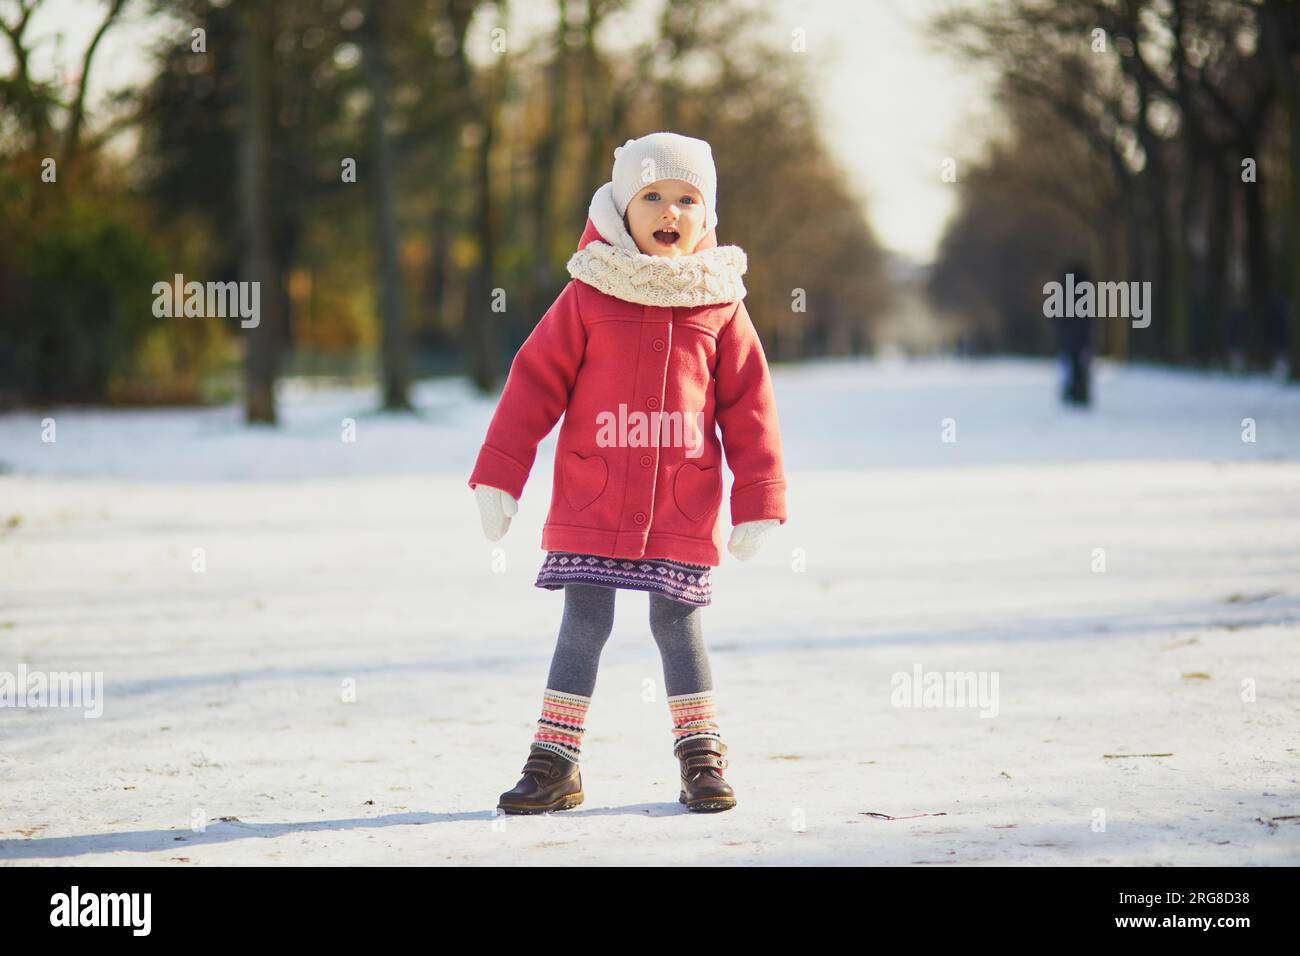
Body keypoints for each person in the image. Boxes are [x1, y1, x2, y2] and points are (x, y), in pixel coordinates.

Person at [467, 131, 788, 813]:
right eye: (652, 196)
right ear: (620, 208)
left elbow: (751, 407)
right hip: (595, 493)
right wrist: (500, 474)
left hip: (681, 500)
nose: (669, 211)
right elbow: (533, 385)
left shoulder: (720, 303)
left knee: (678, 622)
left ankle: (701, 757)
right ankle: (555, 763)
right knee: (584, 621)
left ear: (707, 215)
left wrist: (759, 499)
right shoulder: (588, 294)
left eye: (686, 199)